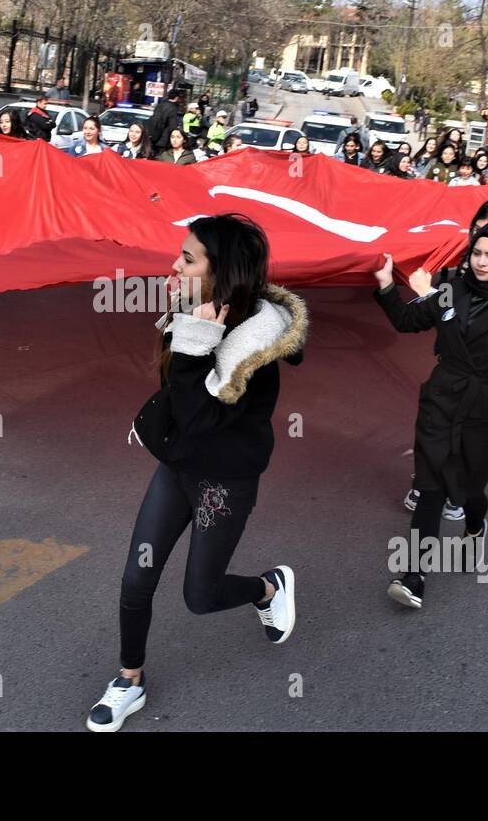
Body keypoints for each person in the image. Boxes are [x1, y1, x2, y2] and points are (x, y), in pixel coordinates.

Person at [89, 214, 307, 731]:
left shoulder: (253, 347)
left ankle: (269, 589)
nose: (174, 263)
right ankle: (130, 680)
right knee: (135, 579)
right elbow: (177, 398)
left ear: (222, 269)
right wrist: (189, 321)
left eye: (187, 258)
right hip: (179, 466)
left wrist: (195, 337)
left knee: (200, 597)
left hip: (223, 482)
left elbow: (200, 416)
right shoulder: (198, 309)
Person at [373, 216, 488, 610]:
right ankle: (413, 576)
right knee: (430, 488)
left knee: (466, 492)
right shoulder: (453, 290)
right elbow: (408, 320)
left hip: (487, 411)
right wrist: (384, 284)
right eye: (477, 253)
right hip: (442, 399)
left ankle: (475, 525)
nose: (481, 263)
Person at [147, 88, 185, 153]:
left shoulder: (159, 106)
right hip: (164, 142)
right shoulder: (173, 108)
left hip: (153, 138)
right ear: (176, 98)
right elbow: (172, 127)